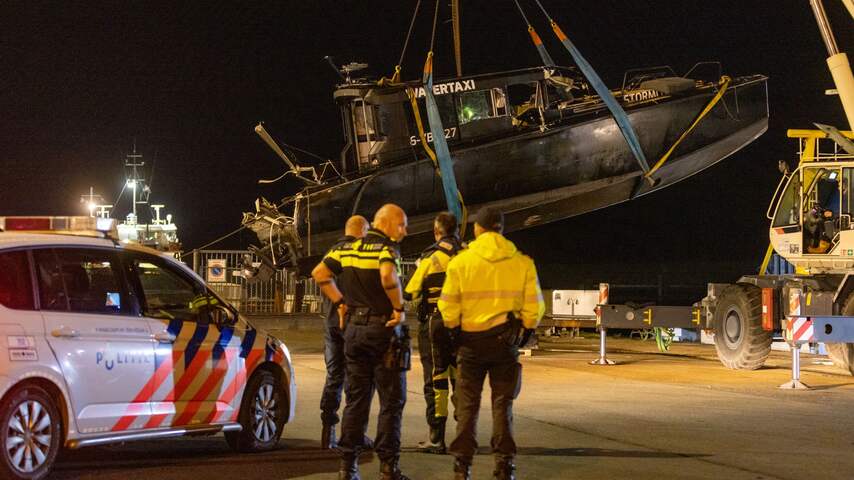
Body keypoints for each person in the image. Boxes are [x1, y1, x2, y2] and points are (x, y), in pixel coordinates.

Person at [438, 207, 545, 480]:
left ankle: (462, 465)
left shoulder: (460, 262)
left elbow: (447, 306)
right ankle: (504, 465)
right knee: (502, 405)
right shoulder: (522, 262)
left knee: (467, 406)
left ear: (477, 229)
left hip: (469, 344)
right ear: (501, 229)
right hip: (504, 344)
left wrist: (454, 333)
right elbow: (535, 308)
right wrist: (522, 333)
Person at [312, 204, 412, 480]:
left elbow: (320, 273)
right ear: (387, 224)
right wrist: (399, 308)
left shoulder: (346, 249)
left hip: (354, 331)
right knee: (391, 402)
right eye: (402, 224)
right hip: (383, 331)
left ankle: (348, 467)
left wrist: (340, 302)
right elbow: (388, 276)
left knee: (356, 400)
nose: (405, 230)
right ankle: (388, 468)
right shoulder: (386, 250)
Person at [404, 212, 463, 454]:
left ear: (436, 231)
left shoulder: (430, 257)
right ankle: (464, 435)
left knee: (436, 379)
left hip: (434, 325)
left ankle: (436, 437)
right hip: (465, 326)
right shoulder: (468, 254)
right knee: (462, 379)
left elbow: (409, 291)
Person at [311, 215, 368, 449]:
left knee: (334, 375)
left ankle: (328, 431)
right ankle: (353, 434)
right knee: (357, 379)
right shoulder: (357, 253)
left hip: (332, 323)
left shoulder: (332, 252)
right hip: (353, 324)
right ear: (362, 231)